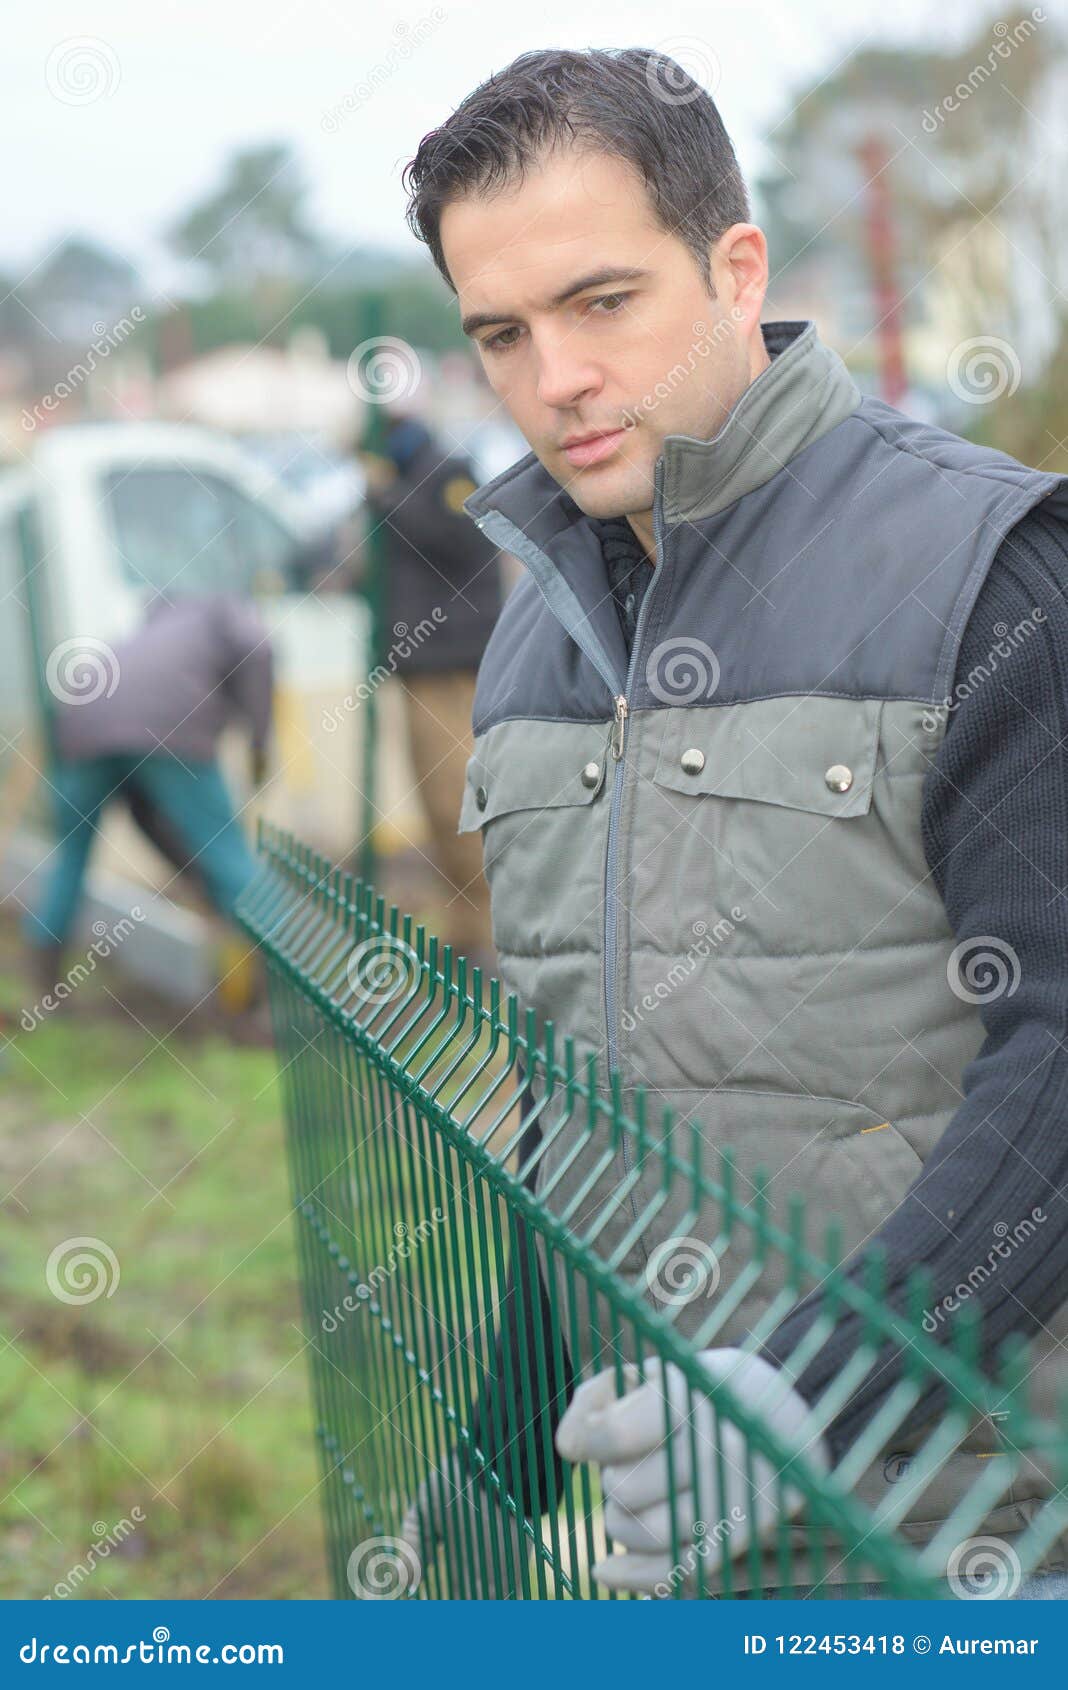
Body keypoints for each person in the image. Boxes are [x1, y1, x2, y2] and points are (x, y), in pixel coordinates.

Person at [396, 46, 1068, 1597]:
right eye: (500, 332)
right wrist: (498, 1449)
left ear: (734, 267)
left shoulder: (987, 571)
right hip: (678, 1538)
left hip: (977, 1539)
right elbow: (578, 1089)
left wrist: (820, 1391)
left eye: (602, 302)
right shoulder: (533, 642)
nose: (553, 377)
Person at [23, 592, 273, 999]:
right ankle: (276, 971)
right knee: (227, 853)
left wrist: (191, 871)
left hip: (82, 728)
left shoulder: (151, 630)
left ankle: (43, 985)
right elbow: (258, 650)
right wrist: (260, 744)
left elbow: (147, 815)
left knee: (70, 856)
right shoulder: (226, 613)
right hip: (169, 730)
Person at [357, 412, 503, 974]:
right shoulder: (405, 481)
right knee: (434, 807)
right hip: (417, 665)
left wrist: (386, 497)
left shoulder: (450, 472)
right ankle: (465, 929)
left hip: (451, 661)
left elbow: (457, 537)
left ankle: (490, 932)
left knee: (456, 798)